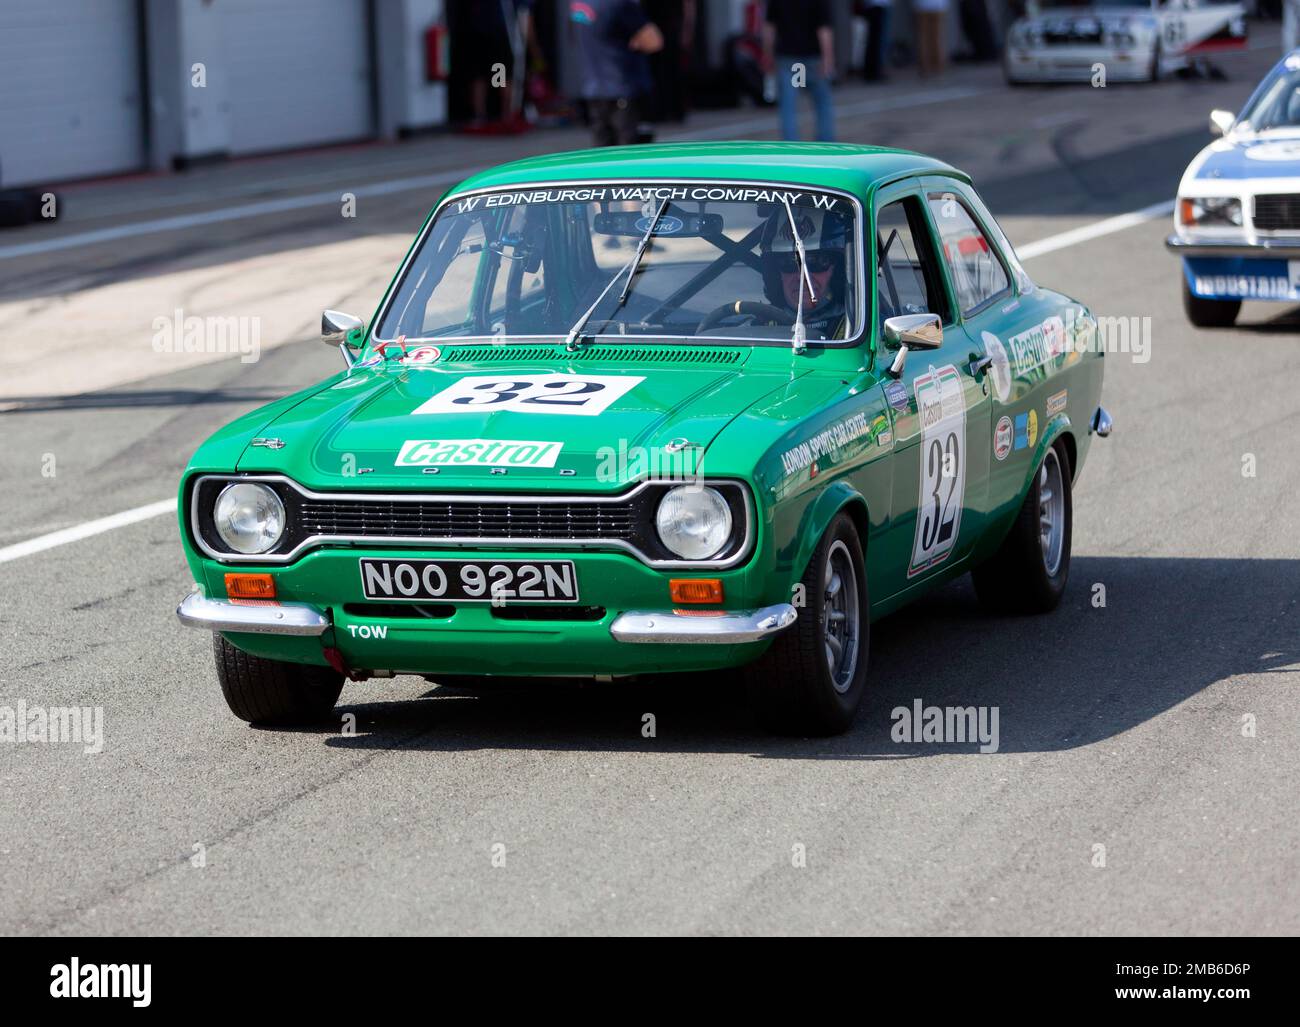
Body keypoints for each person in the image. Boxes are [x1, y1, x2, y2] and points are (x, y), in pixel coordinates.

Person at [571, 0, 664, 146]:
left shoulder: (578, 5)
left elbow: (573, 36)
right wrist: (636, 41)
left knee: (602, 152)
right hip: (623, 86)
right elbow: (654, 41)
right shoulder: (620, 4)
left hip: (593, 88)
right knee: (629, 153)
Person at [755, 206, 852, 336]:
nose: (802, 277)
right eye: (788, 263)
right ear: (774, 273)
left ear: (838, 270)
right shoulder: (755, 328)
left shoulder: (860, 329)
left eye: (818, 262)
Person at [762, 0, 836, 142]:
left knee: (788, 107)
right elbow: (823, 29)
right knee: (822, 104)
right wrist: (828, 58)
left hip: (788, 59)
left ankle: (791, 149)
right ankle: (826, 146)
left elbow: (769, 27)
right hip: (812, 58)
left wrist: (767, 54)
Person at [644, 0, 696, 122]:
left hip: (670, 27)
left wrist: (687, 30)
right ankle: (658, 111)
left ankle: (676, 110)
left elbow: (688, 4)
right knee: (655, 71)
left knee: (672, 70)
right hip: (652, 27)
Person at [857, 0, 892, 82]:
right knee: (876, 41)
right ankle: (874, 71)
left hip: (877, 6)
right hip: (876, 6)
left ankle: (873, 70)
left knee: (876, 40)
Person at [914, 0, 949, 78]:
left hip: (923, 6)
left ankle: (926, 65)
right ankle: (937, 65)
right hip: (937, 5)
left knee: (924, 36)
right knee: (936, 35)